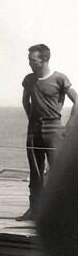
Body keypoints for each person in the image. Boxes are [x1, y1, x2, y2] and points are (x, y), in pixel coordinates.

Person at [18, 44, 77, 222]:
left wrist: (68, 128)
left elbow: (76, 101)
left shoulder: (59, 78)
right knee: (35, 172)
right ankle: (34, 210)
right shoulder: (29, 80)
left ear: (43, 60)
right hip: (34, 130)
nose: (29, 63)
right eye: (29, 59)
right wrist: (33, 121)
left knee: (57, 173)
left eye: (32, 59)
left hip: (54, 130)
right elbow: (25, 101)